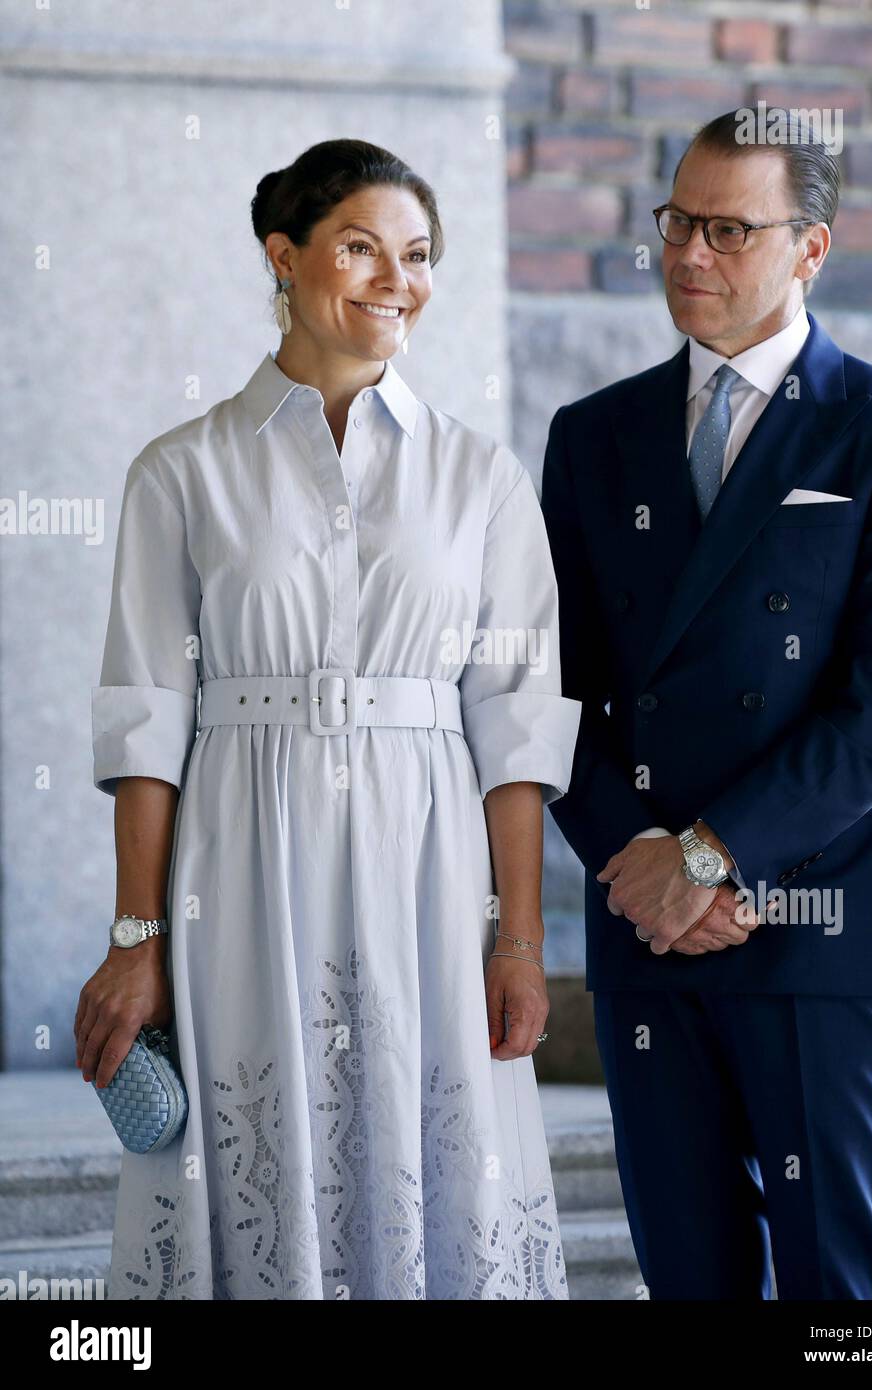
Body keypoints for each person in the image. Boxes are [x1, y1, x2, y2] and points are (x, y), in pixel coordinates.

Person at [77, 138, 581, 1300]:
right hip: (240, 860)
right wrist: (135, 938)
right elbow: (146, 722)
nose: (394, 279)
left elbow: (513, 727)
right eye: (359, 247)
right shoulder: (182, 471)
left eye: (416, 255)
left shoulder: (481, 477)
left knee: (429, 1142)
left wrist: (517, 940)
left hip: (430, 860)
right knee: (260, 1141)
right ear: (283, 254)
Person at [540, 108, 872, 1300]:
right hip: (643, 929)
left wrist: (711, 856)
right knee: (689, 1281)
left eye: (727, 229)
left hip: (814, 927)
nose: (687, 254)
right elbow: (556, 688)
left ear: (810, 249)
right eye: (676, 221)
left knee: (839, 1286)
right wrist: (639, 861)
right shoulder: (591, 437)